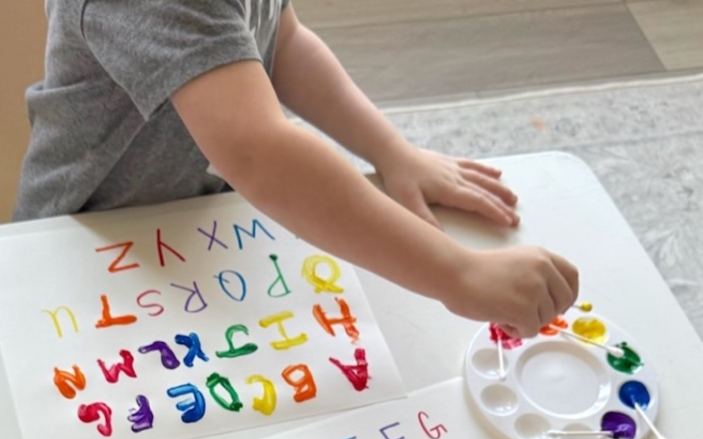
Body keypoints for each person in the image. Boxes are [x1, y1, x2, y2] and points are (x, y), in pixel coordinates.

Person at [14, 0, 578, 338]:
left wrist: (390, 151)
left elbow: (281, 40)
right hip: (88, 241)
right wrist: (460, 274)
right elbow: (263, 154)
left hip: (199, 220)